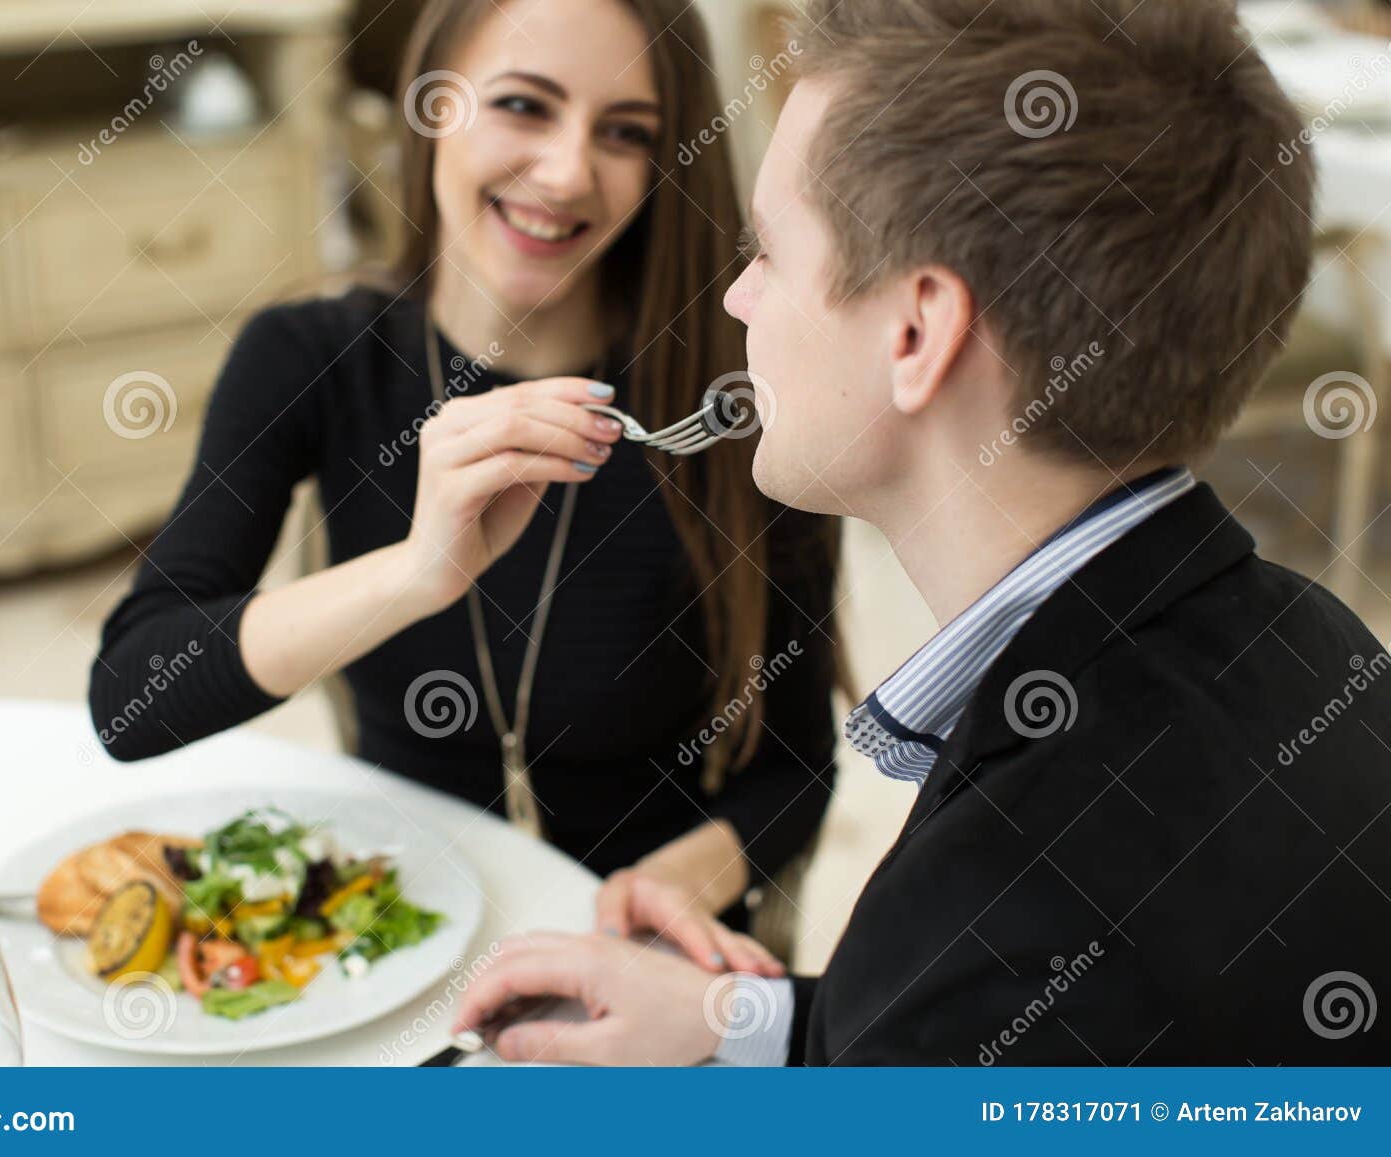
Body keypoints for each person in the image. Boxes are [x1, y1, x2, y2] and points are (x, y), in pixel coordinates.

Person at [453, 0, 1391, 1065]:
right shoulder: (1316, 641)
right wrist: (740, 1022)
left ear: (916, 331)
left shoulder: (1009, 917)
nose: (736, 297)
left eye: (768, 251)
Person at [88, 0, 851, 970]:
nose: (570, 172)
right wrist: (413, 572)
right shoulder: (310, 359)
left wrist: (666, 889)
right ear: (431, 108)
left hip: (640, 968)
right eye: (524, 106)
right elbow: (129, 699)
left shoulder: (732, 396)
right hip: (397, 949)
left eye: (624, 132)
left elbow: (793, 770)